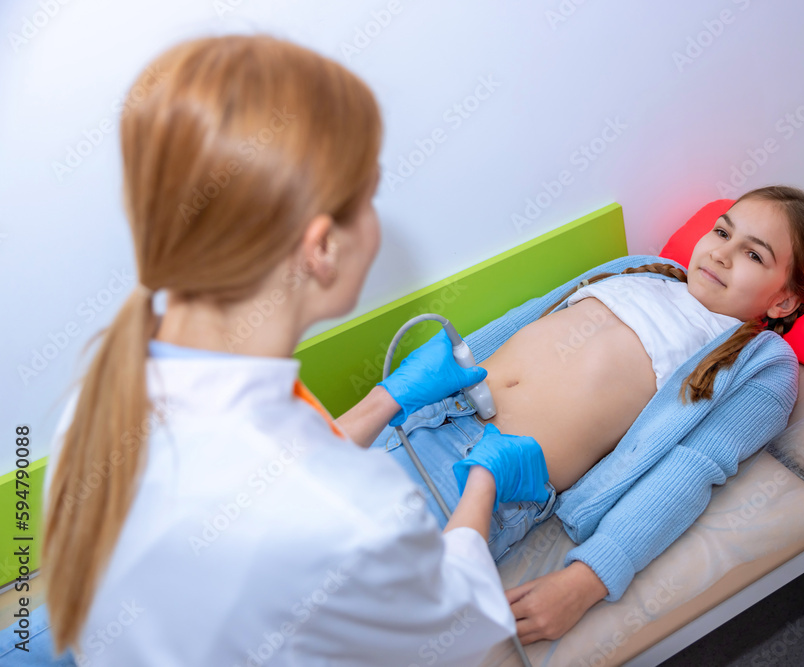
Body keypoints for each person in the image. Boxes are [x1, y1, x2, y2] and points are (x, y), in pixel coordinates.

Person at [39, 34, 551, 666]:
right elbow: (467, 627)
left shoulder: (97, 403)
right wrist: (485, 480)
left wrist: (387, 397)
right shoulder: (353, 516)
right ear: (322, 248)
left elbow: (267, 469)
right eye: (370, 196)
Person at [373, 185, 804, 643]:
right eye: (722, 232)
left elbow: (692, 468)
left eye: (754, 255)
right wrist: (393, 397)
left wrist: (587, 580)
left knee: (364, 600)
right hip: (418, 418)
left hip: (491, 476)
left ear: (783, 301)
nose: (722, 254)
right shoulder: (639, 270)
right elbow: (525, 319)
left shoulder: (762, 364)